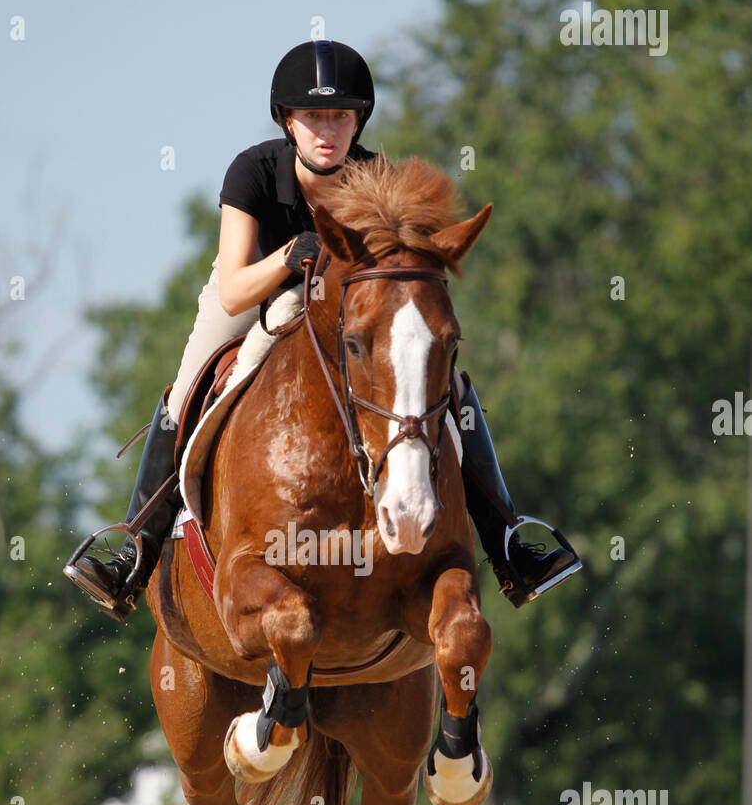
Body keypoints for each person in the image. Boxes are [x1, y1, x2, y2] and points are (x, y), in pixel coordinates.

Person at [64, 39, 579, 621]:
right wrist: (288, 256)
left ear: (359, 119)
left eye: (340, 115)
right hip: (255, 292)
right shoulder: (254, 171)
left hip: (346, 307)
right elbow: (233, 286)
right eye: (312, 116)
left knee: (449, 386)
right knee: (186, 391)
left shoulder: (374, 174)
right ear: (288, 120)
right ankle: (135, 548)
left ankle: (509, 541)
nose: (327, 129)